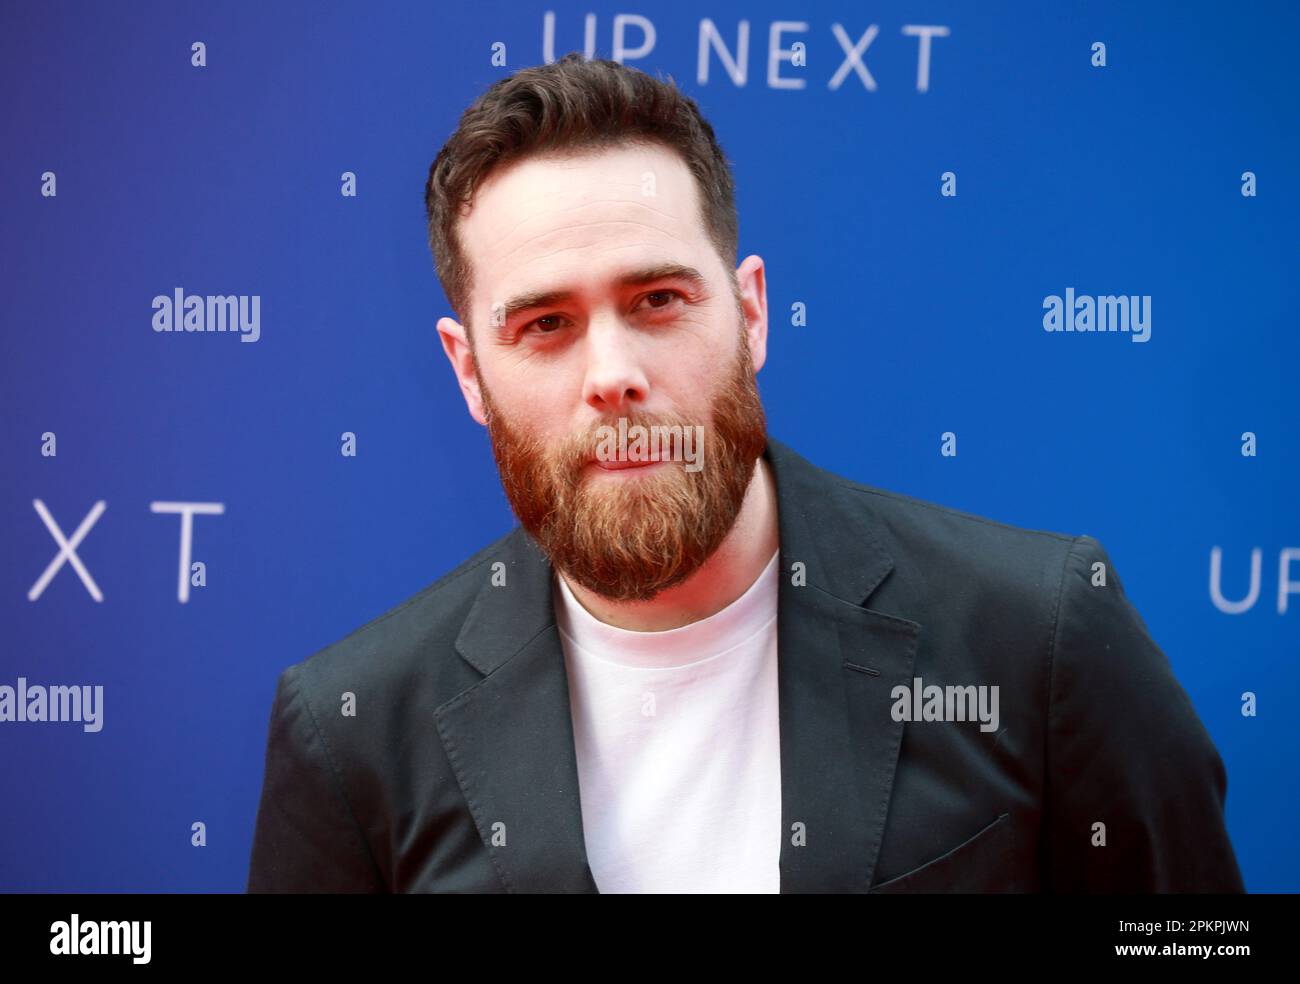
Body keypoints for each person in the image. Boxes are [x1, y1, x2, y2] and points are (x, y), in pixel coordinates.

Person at [246, 53, 1245, 893]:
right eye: (544, 325)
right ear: (468, 371)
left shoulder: (1038, 636)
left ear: (751, 310)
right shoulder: (353, 733)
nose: (613, 378)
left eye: (658, 300)